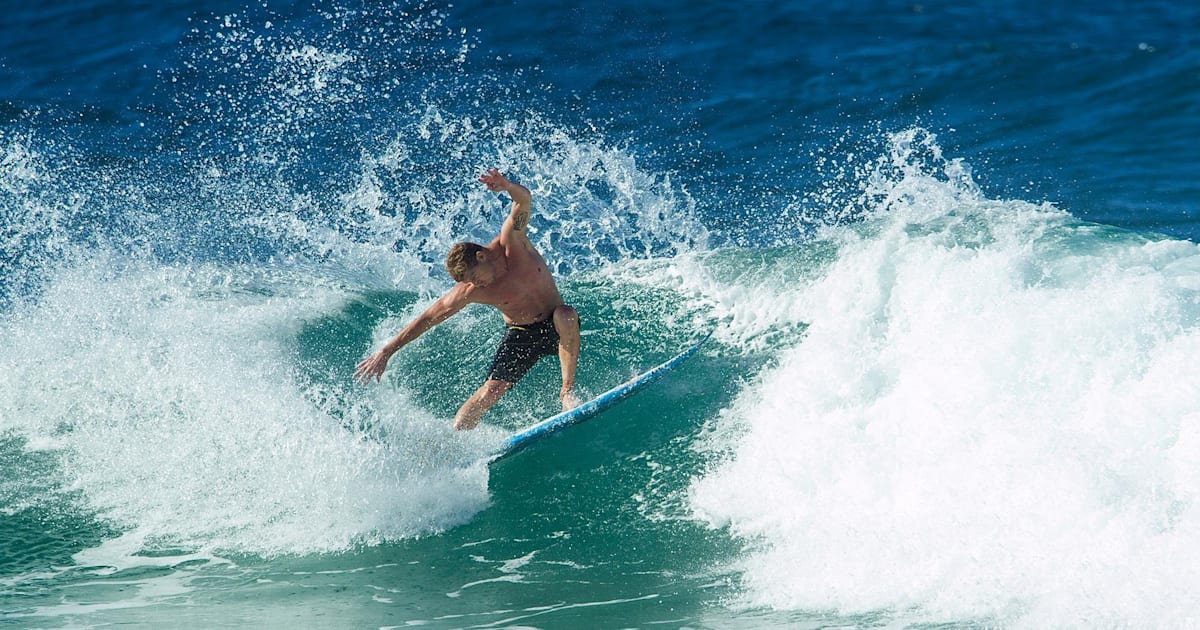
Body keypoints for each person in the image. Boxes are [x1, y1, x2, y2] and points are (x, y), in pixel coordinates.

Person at [354, 169, 581, 430]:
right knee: (490, 392)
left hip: (558, 323)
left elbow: (523, 201)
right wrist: (386, 351)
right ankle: (456, 436)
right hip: (522, 333)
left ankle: (566, 393)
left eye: (474, 277)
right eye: (469, 282)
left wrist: (507, 186)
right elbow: (429, 317)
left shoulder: (512, 242)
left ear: (482, 256)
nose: (475, 285)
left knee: (564, 314)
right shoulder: (471, 291)